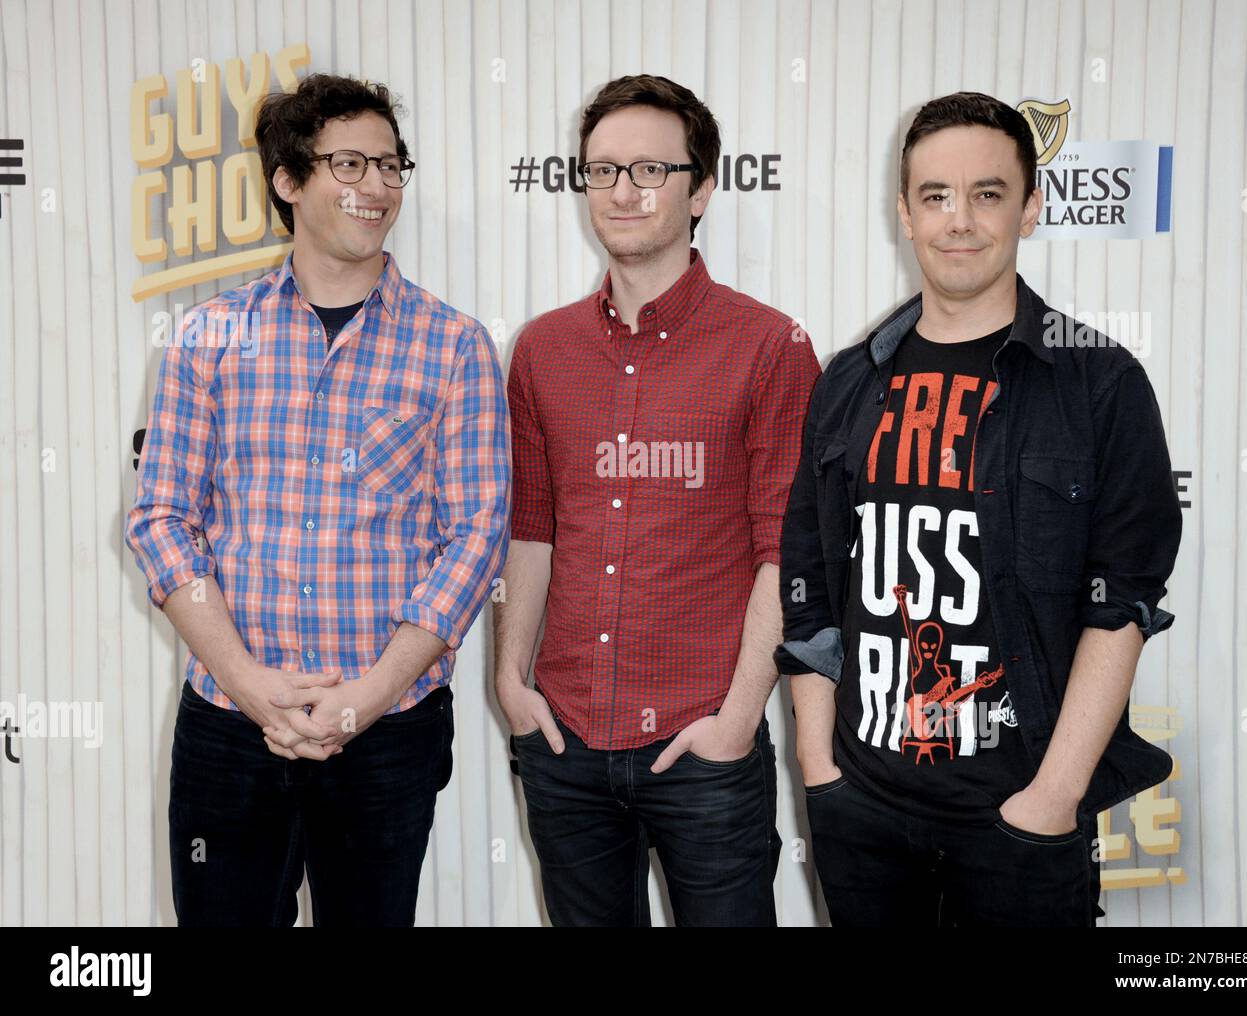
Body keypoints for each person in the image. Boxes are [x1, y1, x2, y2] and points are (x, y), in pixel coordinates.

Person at [778, 91, 1182, 927]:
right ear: (904, 213)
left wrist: (1054, 796)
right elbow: (810, 585)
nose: (959, 220)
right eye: (935, 196)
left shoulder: (1100, 383)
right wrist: (820, 771)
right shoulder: (847, 382)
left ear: (1032, 208)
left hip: (1022, 815)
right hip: (863, 812)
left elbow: (1123, 605)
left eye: (988, 194)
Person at [125, 73, 510, 926]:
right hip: (230, 726)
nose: (376, 186)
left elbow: (475, 538)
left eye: (390, 163)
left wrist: (363, 699)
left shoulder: (453, 345)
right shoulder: (210, 336)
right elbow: (161, 521)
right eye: (348, 163)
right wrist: (249, 682)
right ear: (288, 181)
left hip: (388, 730)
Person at [494, 74, 820, 926]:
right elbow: (532, 529)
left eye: (649, 169)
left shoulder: (769, 346)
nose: (622, 191)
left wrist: (739, 719)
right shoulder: (542, 350)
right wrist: (507, 677)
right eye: (602, 171)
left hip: (702, 745)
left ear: (702, 185)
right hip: (563, 741)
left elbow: (784, 550)